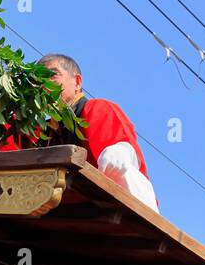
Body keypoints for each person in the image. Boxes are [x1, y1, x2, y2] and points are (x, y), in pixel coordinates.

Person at [40, 53, 158, 209]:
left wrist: (119, 151)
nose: (44, 84)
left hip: (112, 209)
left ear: (77, 82)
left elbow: (124, 149)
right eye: (38, 80)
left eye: (52, 75)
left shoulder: (97, 108)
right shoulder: (43, 130)